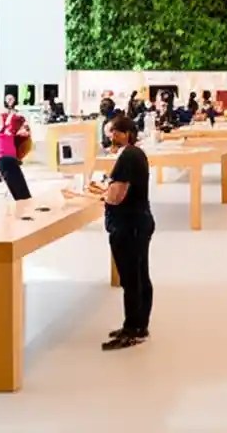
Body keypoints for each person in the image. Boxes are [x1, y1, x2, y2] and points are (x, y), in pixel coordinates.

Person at [89, 115, 155, 351]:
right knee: (139, 275)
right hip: (138, 222)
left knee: (131, 278)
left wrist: (102, 195)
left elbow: (117, 196)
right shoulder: (136, 154)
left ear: (125, 132)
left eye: (114, 133)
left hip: (129, 225)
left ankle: (133, 329)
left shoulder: (128, 156)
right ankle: (138, 325)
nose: (110, 138)